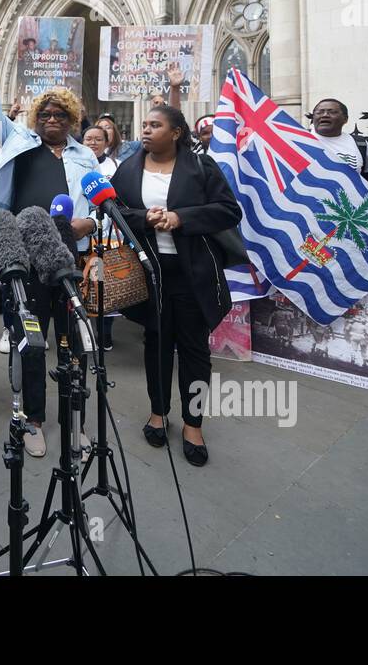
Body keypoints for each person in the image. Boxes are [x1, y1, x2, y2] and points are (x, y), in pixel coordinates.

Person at [0, 36, 98, 457]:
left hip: (67, 264)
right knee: (32, 344)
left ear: (72, 119)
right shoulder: (19, 142)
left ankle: (74, 419)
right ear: (34, 117)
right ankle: (33, 420)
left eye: (60, 113)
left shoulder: (86, 157)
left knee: (73, 346)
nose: (51, 117)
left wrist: (89, 223)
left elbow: (102, 204)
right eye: (44, 112)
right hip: (26, 265)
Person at [112, 105, 241, 467]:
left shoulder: (200, 167)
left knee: (193, 350)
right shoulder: (128, 168)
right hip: (149, 273)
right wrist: (146, 218)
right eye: (145, 125)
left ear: (176, 133)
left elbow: (229, 211)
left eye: (156, 125)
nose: (147, 130)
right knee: (155, 345)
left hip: (192, 274)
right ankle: (157, 412)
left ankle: (192, 423)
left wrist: (181, 218)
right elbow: (116, 211)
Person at [310, 98, 368, 193]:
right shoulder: (299, 140)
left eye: (332, 112)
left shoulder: (360, 144)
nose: (325, 115)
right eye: (319, 112)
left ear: (345, 119)